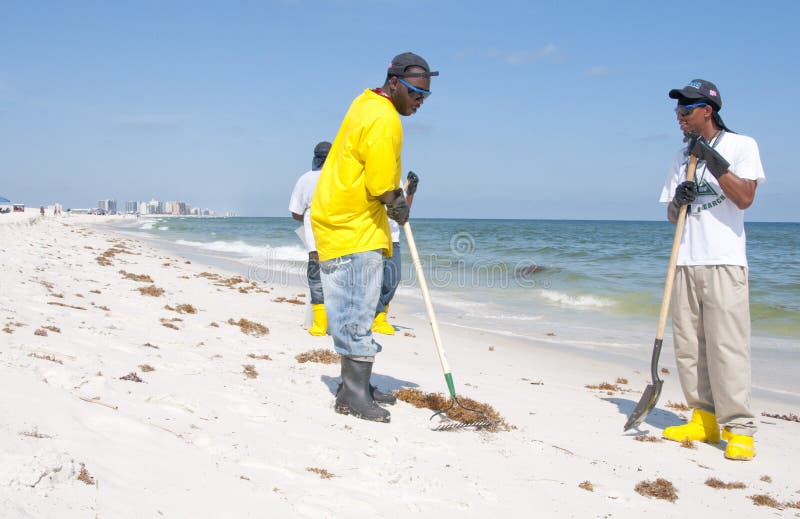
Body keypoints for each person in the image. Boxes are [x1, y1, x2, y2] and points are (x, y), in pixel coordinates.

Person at [311, 52, 437, 423]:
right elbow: (382, 184)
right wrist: (399, 205)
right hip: (352, 226)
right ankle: (351, 395)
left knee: (358, 308)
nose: (420, 101)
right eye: (416, 92)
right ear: (395, 83)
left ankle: (359, 385)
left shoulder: (366, 100)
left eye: (426, 96)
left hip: (347, 220)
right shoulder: (385, 119)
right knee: (355, 311)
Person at [658, 79, 765, 461]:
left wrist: (713, 162)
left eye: (686, 111)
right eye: (677, 112)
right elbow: (672, 215)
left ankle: (739, 428)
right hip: (685, 260)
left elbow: (745, 198)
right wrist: (679, 201)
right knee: (689, 347)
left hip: (724, 260)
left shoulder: (741, 146)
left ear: (708, 110)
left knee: (727, 347)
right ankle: (703, 418)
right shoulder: (680, 156)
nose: (680, 118)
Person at [289, 141, 332, 336]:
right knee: (340, 281)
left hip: (315, 240)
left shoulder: (305, 179)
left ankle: (320, 325)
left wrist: (308, 213)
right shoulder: (342, 178)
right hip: (342, 240)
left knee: (316, 280)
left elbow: (295, 213)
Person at [371, 170, 419, 335]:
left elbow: (404, 209)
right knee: (375, 280)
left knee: (392, 279)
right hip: (375, 236)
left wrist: (411, 191)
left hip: (394, 238)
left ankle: (380, 315)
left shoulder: (396, 178)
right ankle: (378, 318)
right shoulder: (374, 176)